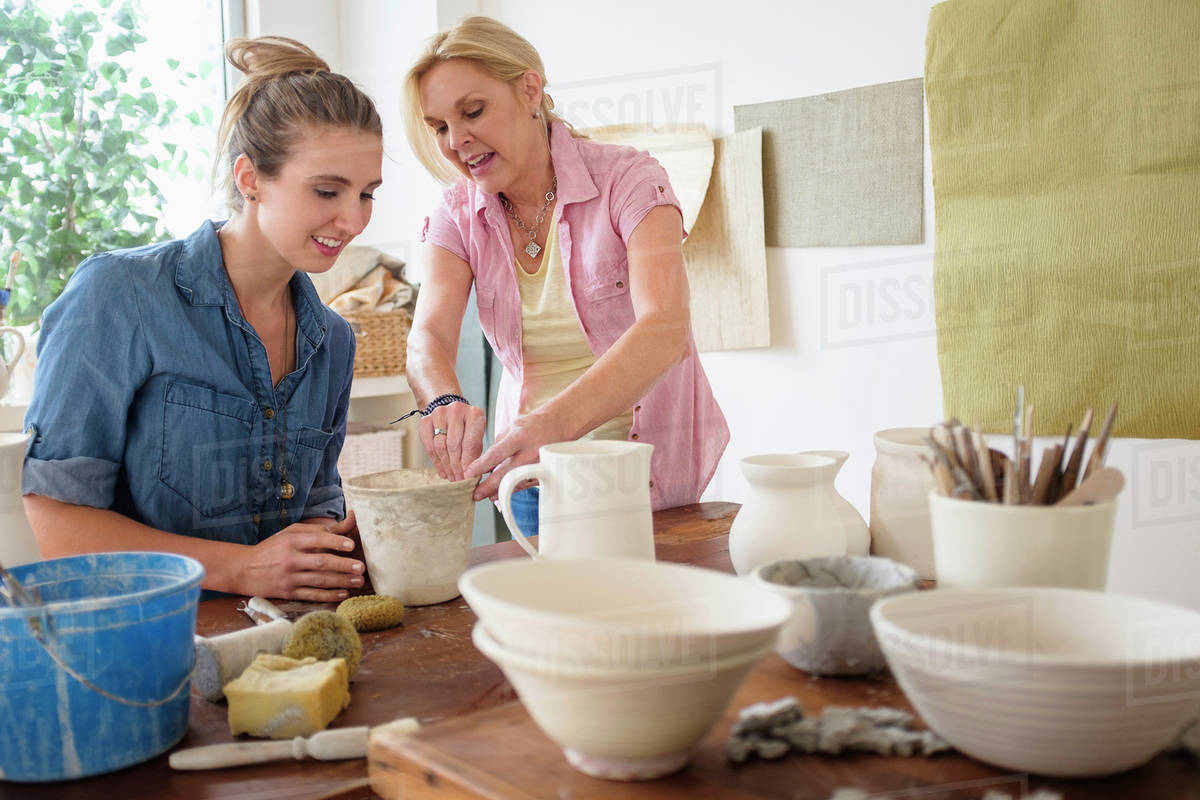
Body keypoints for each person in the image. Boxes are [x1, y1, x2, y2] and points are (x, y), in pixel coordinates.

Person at [22, 36, 383, 602]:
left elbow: (311, 512)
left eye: (367, 194)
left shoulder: (333, 340)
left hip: (270, 643)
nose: (353, 219)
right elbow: (57, 523)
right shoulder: (120, 295)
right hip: (141, 639)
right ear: (250, 179)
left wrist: (331, 552)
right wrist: (243, 568)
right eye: (327, 190)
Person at [401, 17, 729, 533]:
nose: (456, 140)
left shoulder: (629, 180)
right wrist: (443, 398)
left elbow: (664, 330)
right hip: (534, 482)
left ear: (530, 89)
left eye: (473, 111)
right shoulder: (457, 214)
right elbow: (427, 338)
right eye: (439, 126)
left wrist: (553, 423)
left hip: (646, 475)